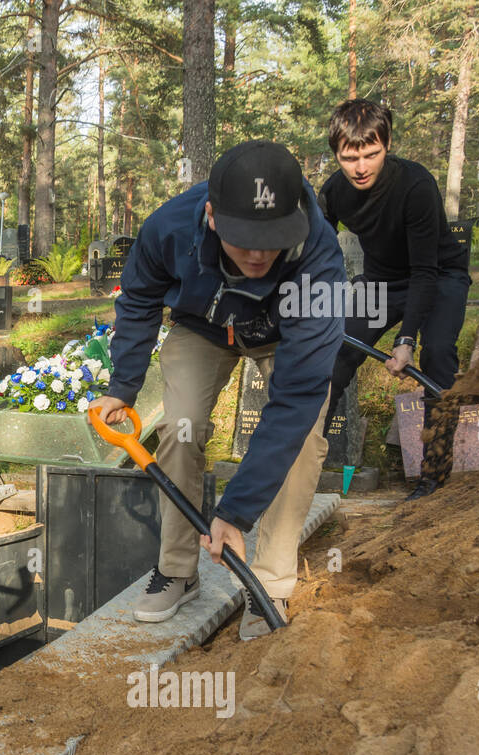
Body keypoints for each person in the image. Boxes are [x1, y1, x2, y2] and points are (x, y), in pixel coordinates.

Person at [91, 140, 345, 640]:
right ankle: (178, 570)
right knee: (179, 429)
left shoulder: (320, 257)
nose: (257, 254)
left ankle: (269, 584)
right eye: (243, 238)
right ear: (211, 215)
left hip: (279, 334)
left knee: (303, 441)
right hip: (204, 327)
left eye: (271, 241)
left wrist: (235, 512)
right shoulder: (168, 227)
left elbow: (296, 398)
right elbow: (140, 296)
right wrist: (123, 383)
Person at [318, 98, 470, 500]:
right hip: (380, 283)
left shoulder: (416, 186)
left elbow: (424, 271)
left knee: (437, 354)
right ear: (336, 152)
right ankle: (304, 463)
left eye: (372, 154)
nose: (362, 167)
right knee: (334, 356)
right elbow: (315, 253)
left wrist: (406, 341)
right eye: (350, 158)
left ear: (387, 144)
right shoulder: (334, 191)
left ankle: (433, 475)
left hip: (438, 277)